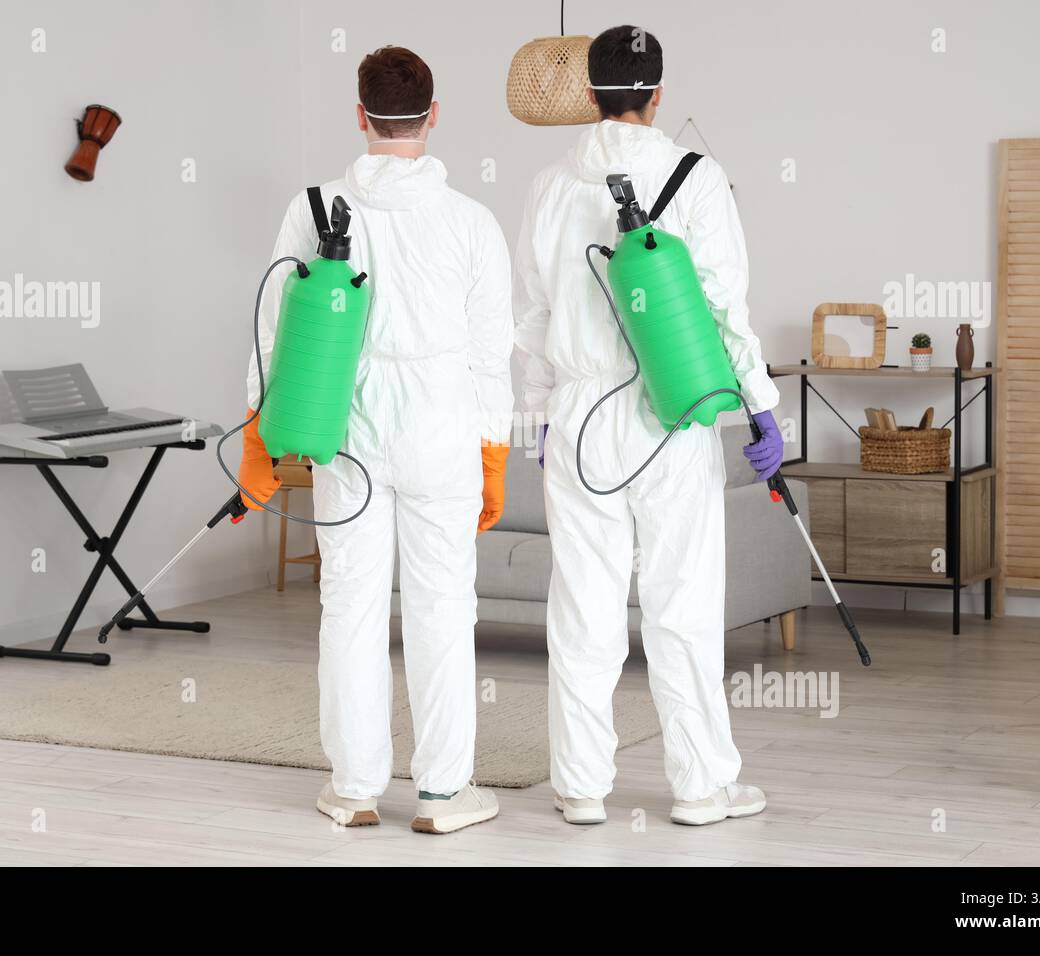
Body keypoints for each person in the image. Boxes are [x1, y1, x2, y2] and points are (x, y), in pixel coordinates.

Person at [514, 25, 784, 826]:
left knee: (584, 606)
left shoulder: (549, 185)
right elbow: (724, 309)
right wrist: (761, 408)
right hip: (674, 414)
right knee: (682, 603)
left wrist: (539, 414)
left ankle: (580, 785)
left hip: (578, 418)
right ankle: (701, 787)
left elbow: (531, 317)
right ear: (658, 94)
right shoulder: (697, 177)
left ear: (588, 95)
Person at [239, 46, 513, 834]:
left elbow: (276, 331)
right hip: (444, 424)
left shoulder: (314, 207)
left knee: (350, 603)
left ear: (360, 115)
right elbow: (491, 352)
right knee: (441, 607)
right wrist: (492, 453)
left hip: (347, 425)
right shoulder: (472, 222)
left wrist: (259, 433)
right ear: (434, 115)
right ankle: (443, 793)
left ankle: (355, 788)